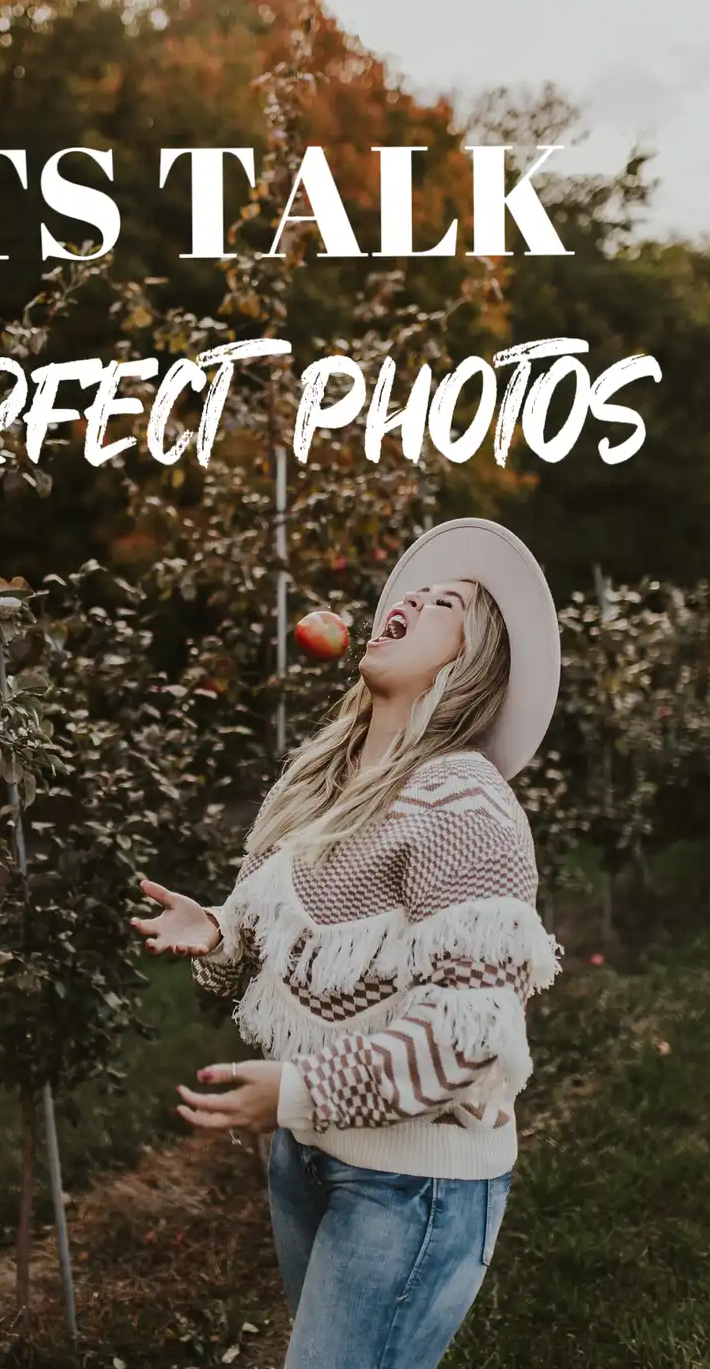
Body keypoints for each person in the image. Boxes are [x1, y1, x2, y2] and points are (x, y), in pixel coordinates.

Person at [130, 518, 563, 1369]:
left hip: (415, 1182)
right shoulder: (322, 783)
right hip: (311, 1152)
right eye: (413, 593)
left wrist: (298, 1091)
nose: (412, 601)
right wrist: (214, 930)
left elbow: (469, 1036)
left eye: (446, 605)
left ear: (470, 665)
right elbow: (271, 944)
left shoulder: (464, 804)